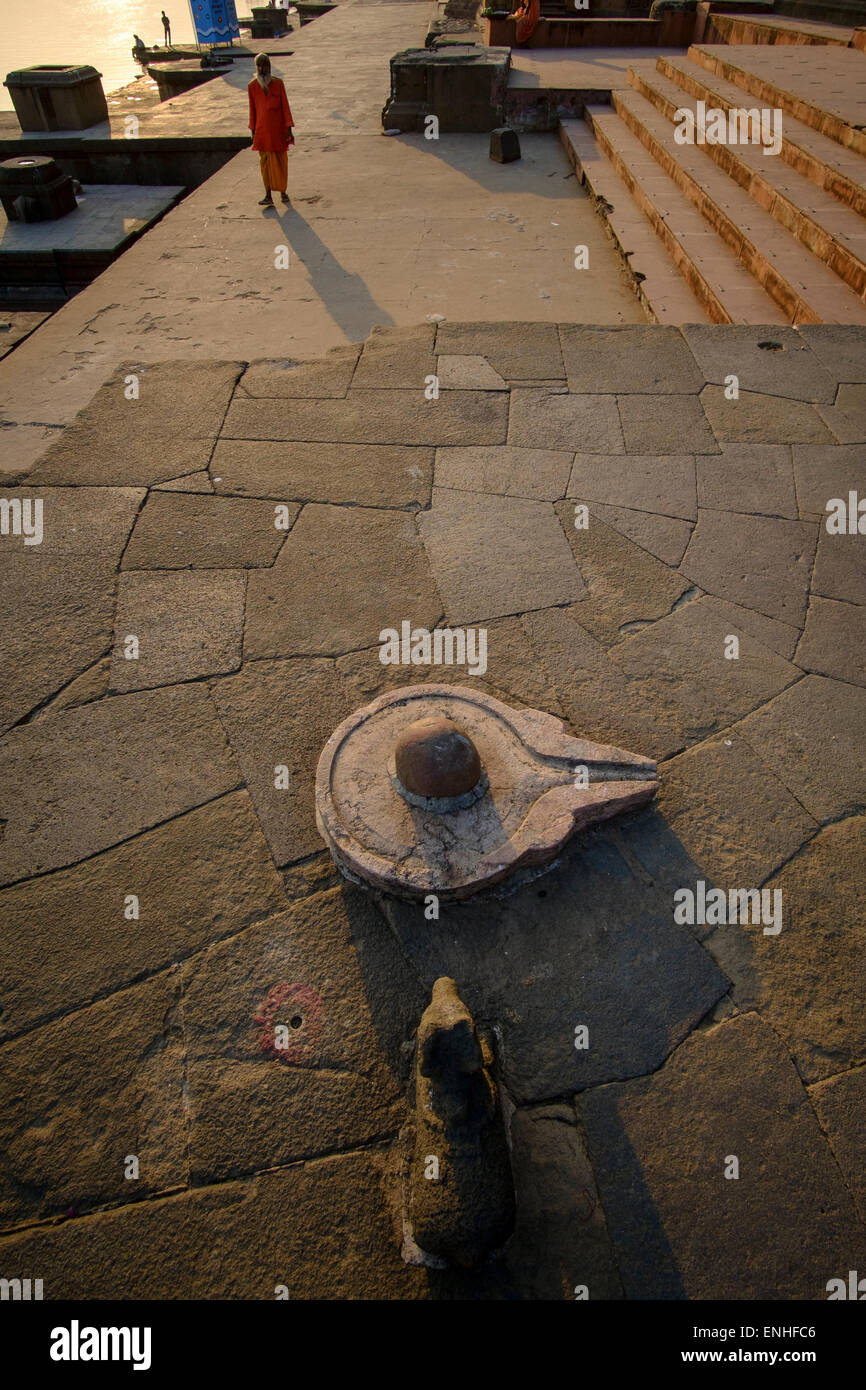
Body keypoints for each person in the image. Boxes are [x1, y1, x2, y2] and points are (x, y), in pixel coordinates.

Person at [248, 54, 294, 207]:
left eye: (265, 66)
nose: (262, 69)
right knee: (265, 165)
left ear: (269, 66)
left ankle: (283, 192)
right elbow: (252, 111)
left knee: (281, 163)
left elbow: (285, 107)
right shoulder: (252, 87)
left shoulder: (278, 84)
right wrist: (253, 131)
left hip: (278, 132)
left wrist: (289, 128)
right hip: (262, 133)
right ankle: (268, 195)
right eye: (259, 66)